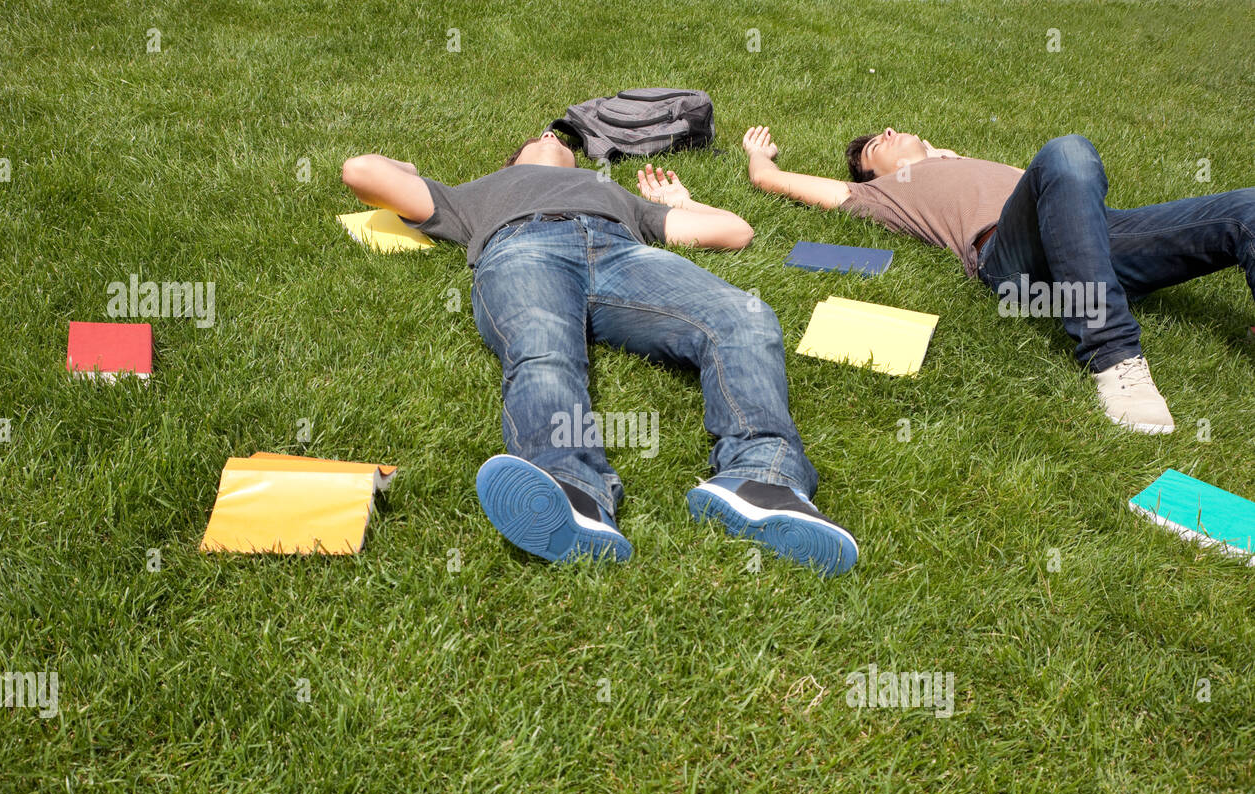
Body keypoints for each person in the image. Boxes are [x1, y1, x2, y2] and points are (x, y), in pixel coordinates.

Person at [341, 131, 858, 573]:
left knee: (743, 316)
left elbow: (735, 231)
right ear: (513, 160)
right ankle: (570, 489)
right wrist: (409, 168)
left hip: (623, 253)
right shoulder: (470, 193)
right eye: (537, 138)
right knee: (543, 347)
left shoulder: (610, 191)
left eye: (561, 141)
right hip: (522, 247)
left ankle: (763, 480)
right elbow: (361, 170)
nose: (551, 138)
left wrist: (682, 203)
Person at [741, 125, 1255, 435]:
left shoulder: (970, 163)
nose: (891, 132)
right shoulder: (881, 193)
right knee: (1067, 152)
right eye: (879, 142)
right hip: (1010, 258)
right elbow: (769, 181)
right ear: (869, 175)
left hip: (1095, 236)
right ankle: (1115, 357)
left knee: (1247, 207)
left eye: (891, 129)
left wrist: (944, 155)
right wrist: (760, 156)